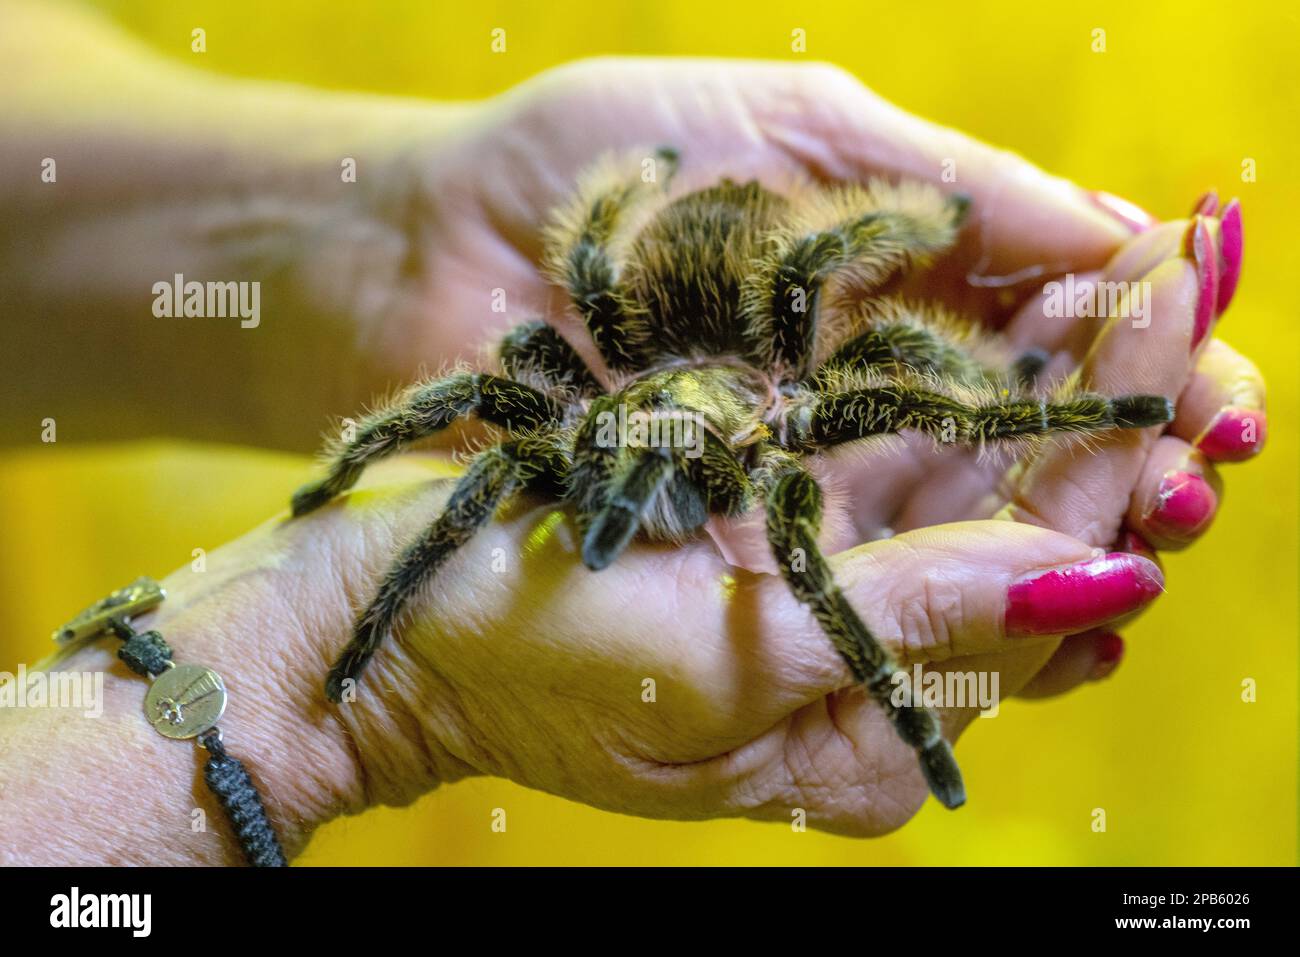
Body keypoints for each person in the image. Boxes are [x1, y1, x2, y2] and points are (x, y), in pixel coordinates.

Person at [0, 1, 1262, 864]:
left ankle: (1089, 416)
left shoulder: (800, 395)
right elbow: (505, 364)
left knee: (895, 361)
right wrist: (369, 648)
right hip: (658, 350)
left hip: (747, 371)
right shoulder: (579, 379)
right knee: (480, 429)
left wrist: (1080, 404)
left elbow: (851, 282)